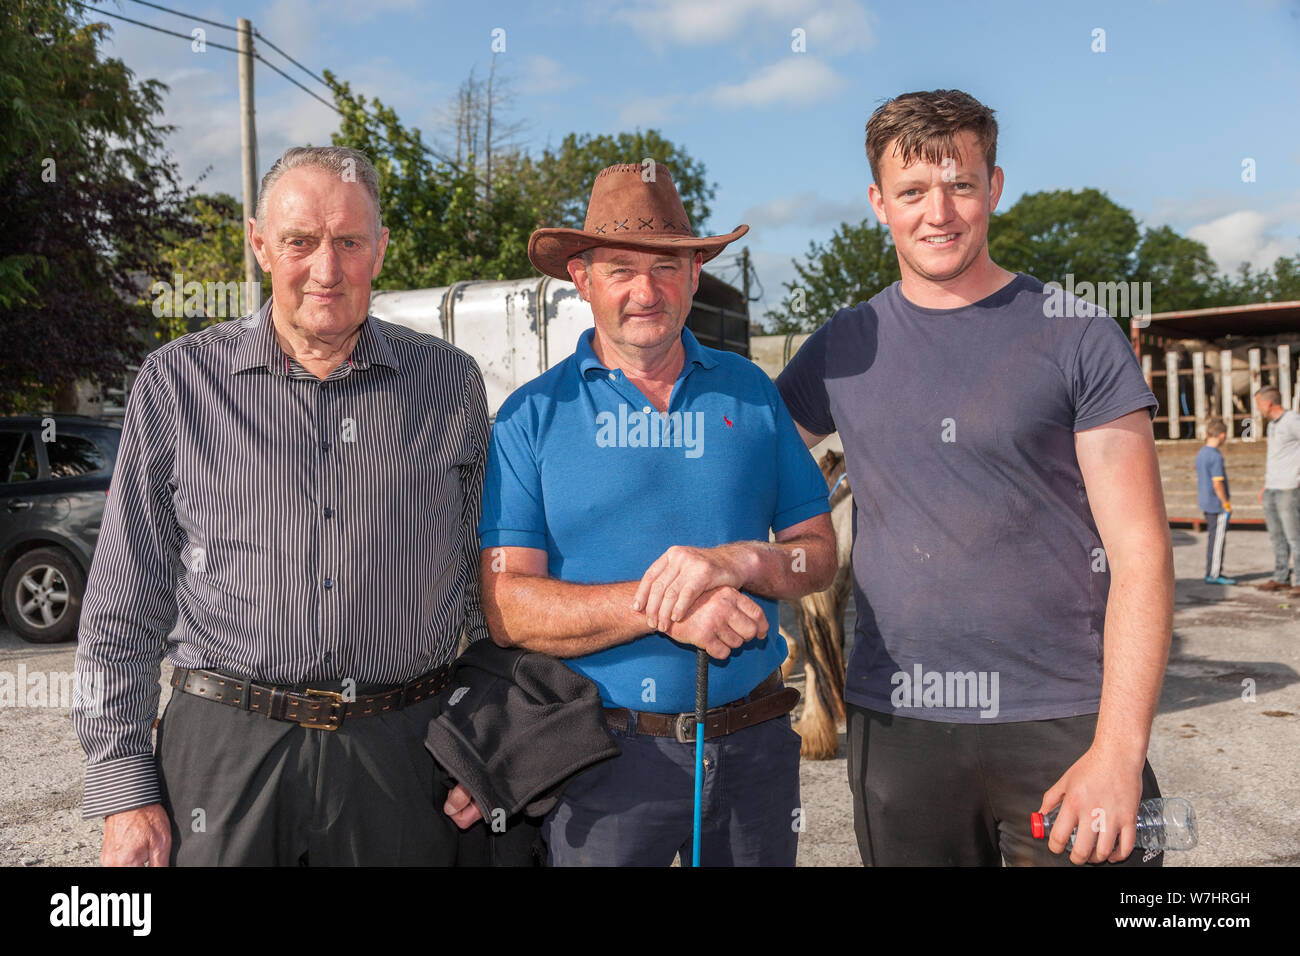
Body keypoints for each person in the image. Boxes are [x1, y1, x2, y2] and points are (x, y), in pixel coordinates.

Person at [776, 89, 1173, 867]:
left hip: (1064, 721)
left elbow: (1142, 553)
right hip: (899, 727)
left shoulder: (1078, 334)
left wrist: (1120, 752)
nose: (939, 211)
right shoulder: (842, 348)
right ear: (878, 203)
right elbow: (739, 457)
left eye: (960, 183)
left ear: (994, 187)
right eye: (913, 191)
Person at [72, 146, 491, 865]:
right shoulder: (177, 384)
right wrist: (124, 787)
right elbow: (123, 600)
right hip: (224, 753)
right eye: (300, 241)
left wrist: (487, 734)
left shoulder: (448, 385)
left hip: (403, 754)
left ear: (380, 251)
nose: (324, 270)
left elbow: (487, 590)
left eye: (348, 242)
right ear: (261, 245)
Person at [478, 162, 836, 866]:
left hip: (755, 749)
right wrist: (672, 608)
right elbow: (507, 605)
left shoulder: (751, 392)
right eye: (619, 269)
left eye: (667, 266)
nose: (647, 292)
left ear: (695, 274)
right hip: (601, 765)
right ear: (581, 279)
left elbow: (817, 554)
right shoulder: (530, 418)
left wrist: (739, 562)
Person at [1252, 386, 1300, 595]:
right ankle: (1281, 577)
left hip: (1289, 487)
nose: (1257, 408)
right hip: (1272, 488)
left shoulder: (1292, 421)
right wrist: (1266, 485)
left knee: (1294, 536)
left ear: (1269, 403)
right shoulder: (1272, 425)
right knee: (1277, 537)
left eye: (1258, 403)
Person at [1196, 418, 1235, 585]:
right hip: (1216, 505)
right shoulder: (1216, 456)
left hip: (1206, 502)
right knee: (1218, 540)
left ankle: (1212, 571)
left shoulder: (1202, 453)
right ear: (1222, 435)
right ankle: (1213, 573)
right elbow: (1217, 483)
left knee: (1213, 538)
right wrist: (1226, 503)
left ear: (1206, 434)